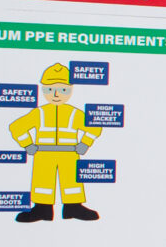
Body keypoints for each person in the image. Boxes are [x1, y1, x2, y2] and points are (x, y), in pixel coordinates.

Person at [10, 62, 102, 221]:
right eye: (50, 89)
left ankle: (73, 208)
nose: (56, 94)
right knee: (42, 182)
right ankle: (42, 209)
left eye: (63, 89)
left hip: (69, 153)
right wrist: (27, 144)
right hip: (44, 153)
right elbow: (16, 127)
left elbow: (94, 126)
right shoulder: (40, 113)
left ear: (70, 90)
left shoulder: (74, 113)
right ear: (43, 90)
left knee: (72, 181)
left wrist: (85, 143)